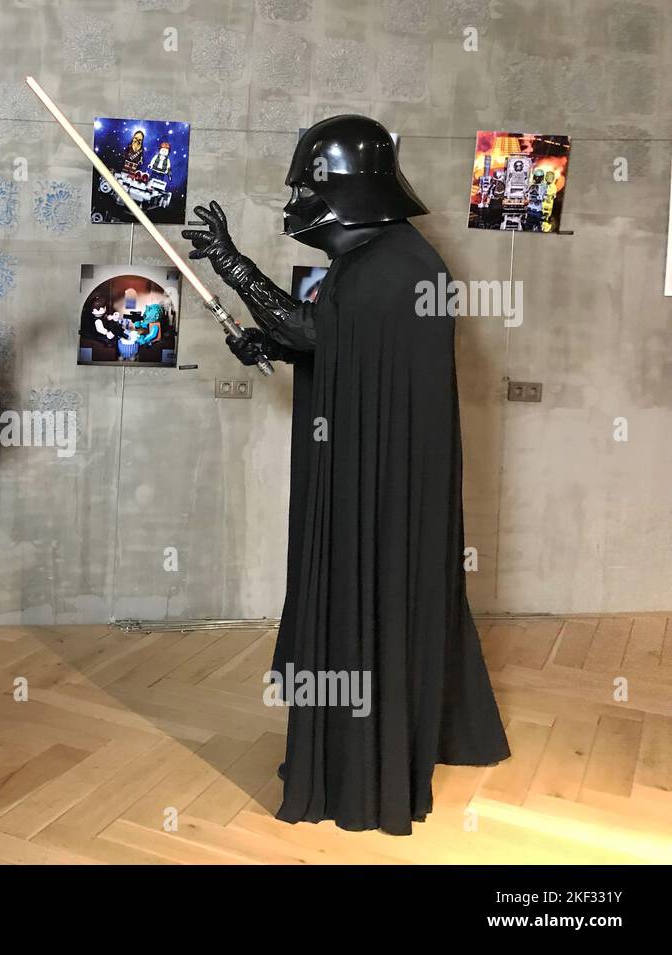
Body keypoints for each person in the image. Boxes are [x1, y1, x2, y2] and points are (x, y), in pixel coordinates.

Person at [182, 115, 510, 835]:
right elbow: (339, 350)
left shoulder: (398, 266)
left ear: (348, 185)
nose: (298, 198)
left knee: (373, 605)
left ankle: (365, 770)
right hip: (371, 477)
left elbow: (322, 334)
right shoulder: (383, 262)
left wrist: (236, 269)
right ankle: (342, 752)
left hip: (383, 495)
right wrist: (264, 335)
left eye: (309, 183)